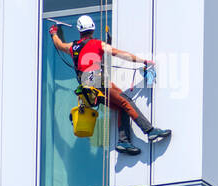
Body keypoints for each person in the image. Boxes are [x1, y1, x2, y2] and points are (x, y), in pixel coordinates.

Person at [50, 15, 171, 155]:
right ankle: (150, 131)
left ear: (79, 30)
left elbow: (59, 45)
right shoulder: (97, 44)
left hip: (87, 89)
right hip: (97, 81)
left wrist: (54, 32)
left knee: (121, 106)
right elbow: (120, 54)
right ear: (93, 29)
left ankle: (123, 141)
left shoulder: (73, 46)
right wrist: (143, 61)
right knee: (126, 101)